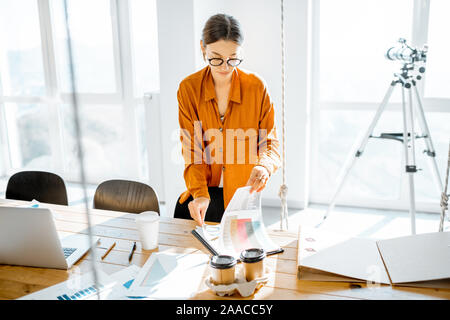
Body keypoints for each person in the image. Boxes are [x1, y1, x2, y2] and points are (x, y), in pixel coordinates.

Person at [174, 13, 280, 226]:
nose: (224, 66)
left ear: (241, 51)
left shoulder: (257, 87)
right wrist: (200, 193)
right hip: (203, 195)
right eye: (216, 58)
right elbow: (191, 149)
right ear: (202, 48)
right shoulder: (189, 89)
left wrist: (264, 167)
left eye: (233, 58)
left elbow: (270, 142)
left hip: (242, 198)